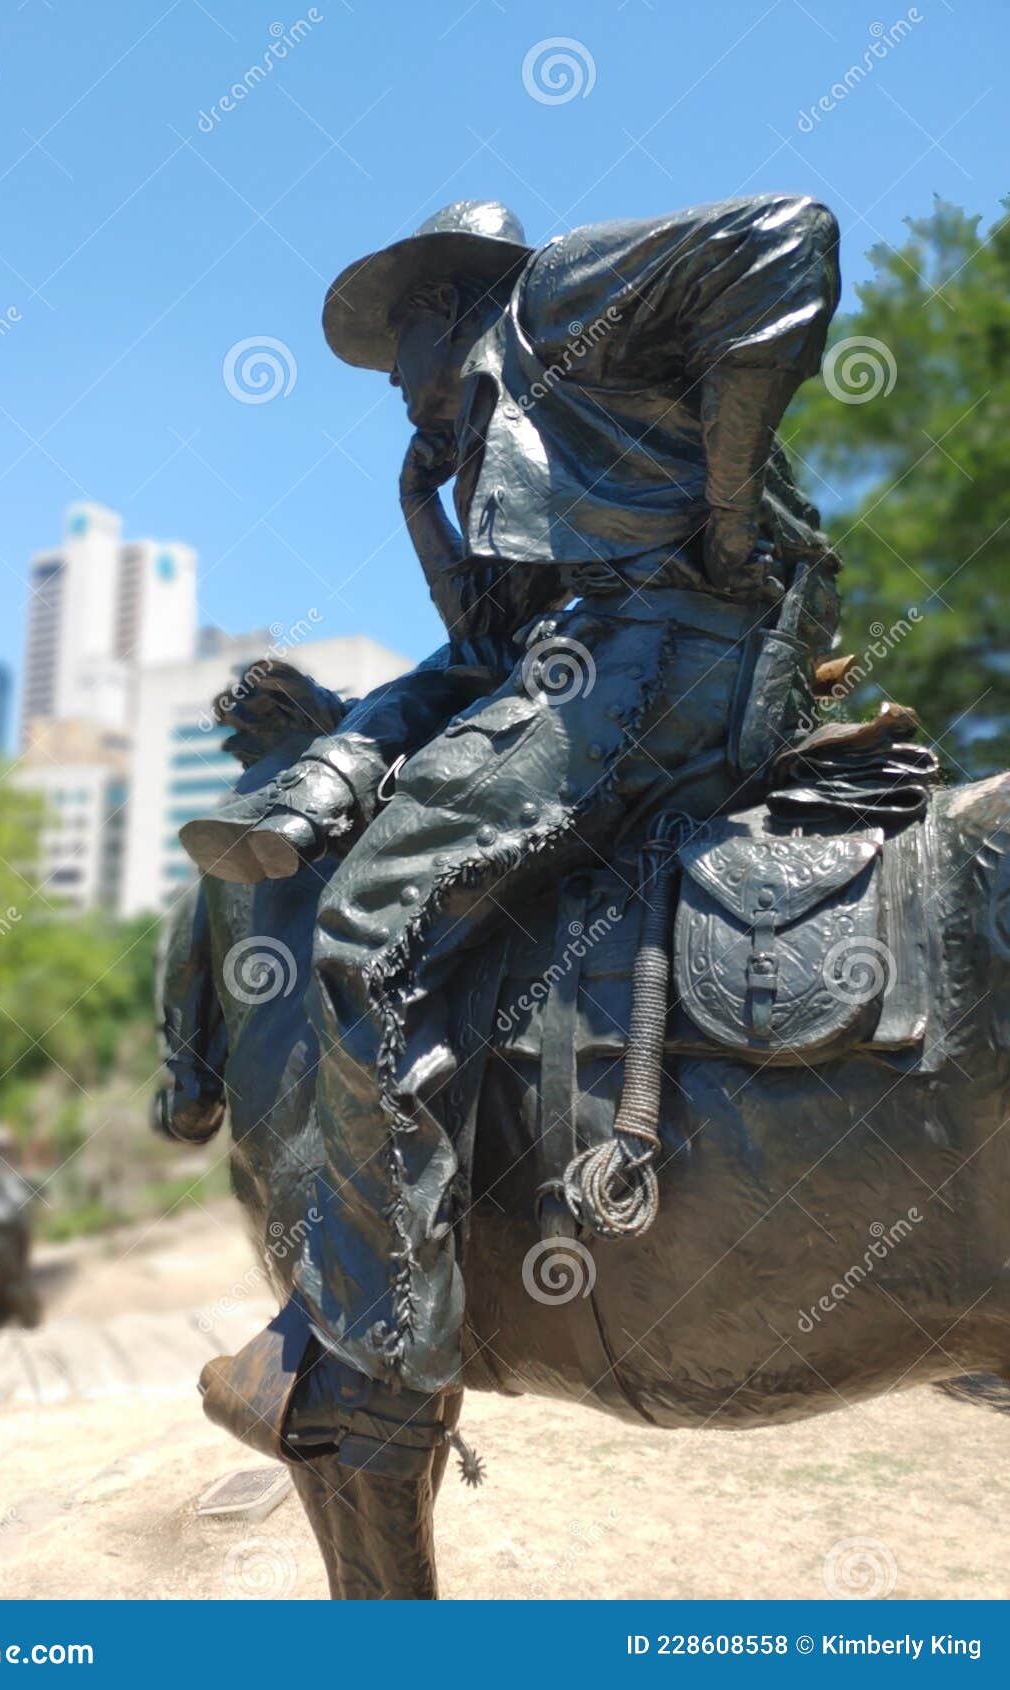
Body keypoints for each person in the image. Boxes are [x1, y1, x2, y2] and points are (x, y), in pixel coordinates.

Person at [193, 195, 842, 1488]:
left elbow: (788, 237)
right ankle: (318, 787)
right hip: (606, 654)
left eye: (396, 345)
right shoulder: (496, 434)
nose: (392, 381)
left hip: (660, 655)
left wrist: (725, 522)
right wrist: (423, 507)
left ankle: (383, 1351)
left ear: (448, 308)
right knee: (450, 685)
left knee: (363, 925)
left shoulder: (550, 302)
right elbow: (488, 642)